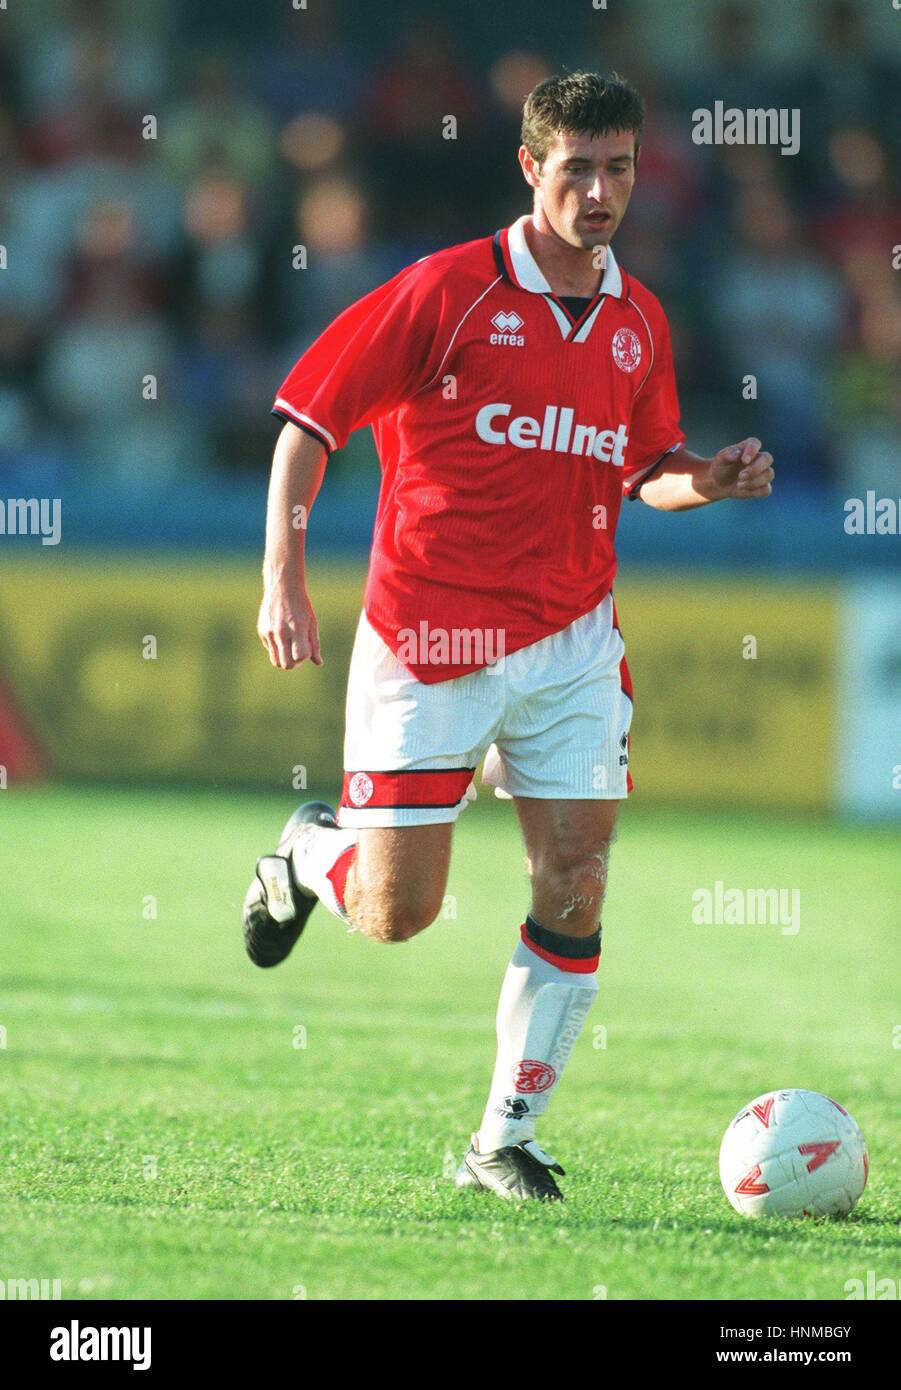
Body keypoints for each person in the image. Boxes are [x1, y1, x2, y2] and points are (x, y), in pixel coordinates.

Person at [243, 72, 774, 1202]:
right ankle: (305, 852)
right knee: (398, 914)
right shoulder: (446, 291)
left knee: (574, 875)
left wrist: (709, 482)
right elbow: (308, 417)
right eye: (575, 168)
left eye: (617, 168)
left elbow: (645, 471)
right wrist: (283, 573)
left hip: (573, 638)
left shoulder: (639, 318)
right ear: (529, 168)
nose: (598, 191)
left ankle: (503, 1135)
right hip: (429, 636)